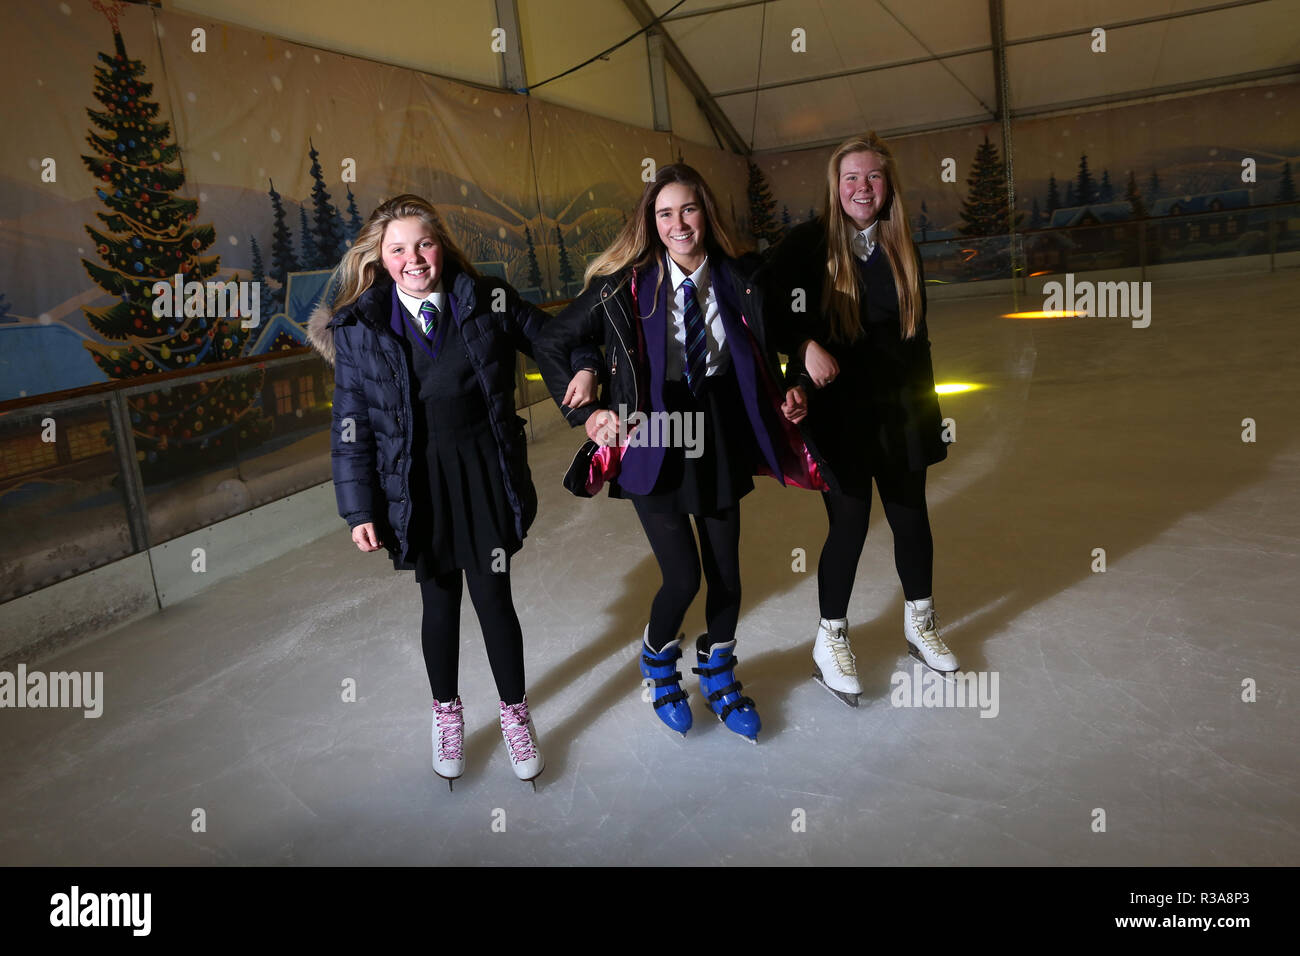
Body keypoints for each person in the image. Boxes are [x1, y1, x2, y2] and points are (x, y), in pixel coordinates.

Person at [306, 194, 599, 787]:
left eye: (424, 244)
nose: (413, 258)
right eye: (398, 249)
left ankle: (514, 714)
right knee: (437, 602)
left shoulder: (484, 297)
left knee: (494, 599)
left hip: (483, 470)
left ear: (442, 248)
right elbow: (351, 424)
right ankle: (447, 715)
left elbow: (557, 337)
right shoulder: (362, 327)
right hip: (418, 482)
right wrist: (358, 505)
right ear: (379, 260)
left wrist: (589, 367)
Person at [533, 164, 820, 743]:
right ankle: (658, 664)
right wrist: (588, 400)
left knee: (728, 576)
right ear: (651, 221)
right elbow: (555, 339)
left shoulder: (742, 276)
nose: (678, 223)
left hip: (718, 429)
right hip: (654, 432)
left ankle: (718, 672)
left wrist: (800, 372)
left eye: (687, 209)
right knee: (683, 578)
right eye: (665, 213)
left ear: (705, 213)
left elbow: (786, 327)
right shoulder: (624, 284)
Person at [764, 132, 956, 706]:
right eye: (851, 177)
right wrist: (801, 351)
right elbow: (762, 303)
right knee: (848, 524)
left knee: (911, 517)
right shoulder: (808, 244)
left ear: (887, 184)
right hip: (842, 415)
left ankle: (919, 623)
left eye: (872, 176)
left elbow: (913, 337)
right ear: (835, 185)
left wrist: (924, 412)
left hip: (901, 408)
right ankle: (830, 639)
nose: (861, 188)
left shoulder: (901, 246)